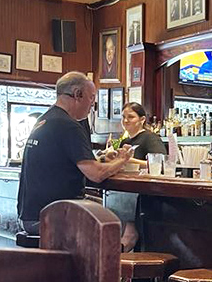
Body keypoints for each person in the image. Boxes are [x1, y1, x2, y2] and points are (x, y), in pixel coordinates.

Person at [17, 71, 133, 234]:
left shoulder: (45, 119)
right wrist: (123, 159)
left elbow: (63, 162)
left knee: (104, 209)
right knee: (123, 226)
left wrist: (105, 160)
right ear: (78, 94)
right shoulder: (68, 125)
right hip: (52, 217)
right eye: (91, 97)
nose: (93, 104)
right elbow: (96, 174)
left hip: (30, 215)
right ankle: (108, 257)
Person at [104, 102, 166, 251]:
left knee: (129, 233)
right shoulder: (125, 141)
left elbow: (160, 162)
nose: (126, 121)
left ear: (142, 119)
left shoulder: (150, 138)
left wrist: (128, 160)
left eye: (130, 117)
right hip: (122, 192)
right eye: (123, 117)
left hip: (139, 194)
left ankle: (117, 260)